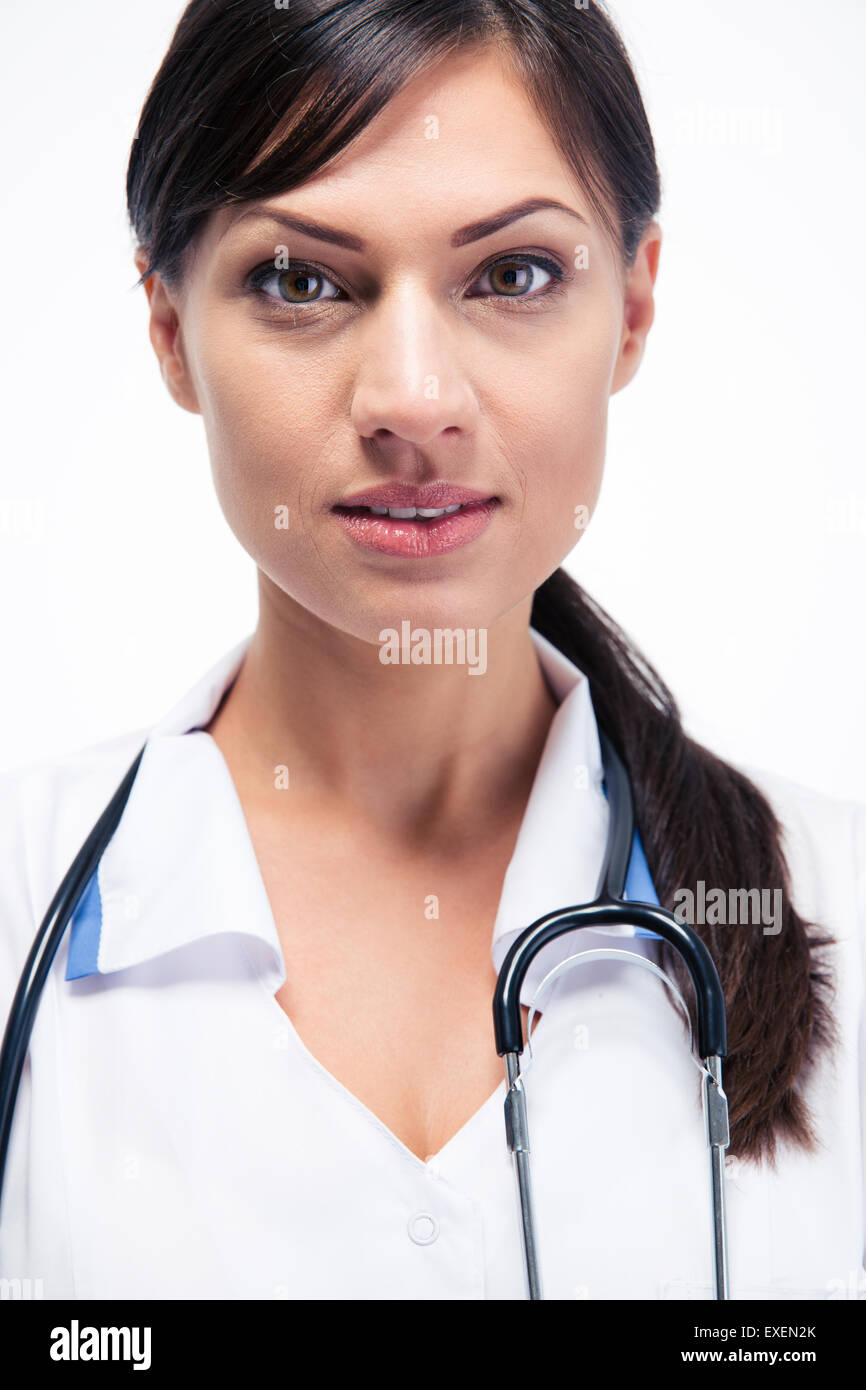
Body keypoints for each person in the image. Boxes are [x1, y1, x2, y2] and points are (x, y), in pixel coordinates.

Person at [0, 0, 863, 1301]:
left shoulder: (836, 900)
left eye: (511, 274)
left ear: (631, 308)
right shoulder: (17, 897)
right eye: (301, 280)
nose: (412, 399)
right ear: (169, 330)